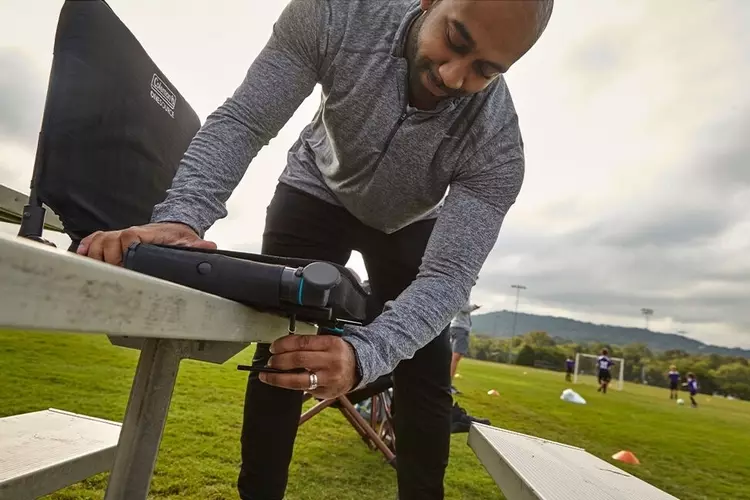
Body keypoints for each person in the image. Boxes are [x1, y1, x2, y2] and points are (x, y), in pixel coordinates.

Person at [75, 1, 555, 498]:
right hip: (315, 189)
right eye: (455, 41)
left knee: (425, 372)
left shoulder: (497, 144)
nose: (455, 76)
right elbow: (245, 120)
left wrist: (366, 352)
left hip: (411, 221)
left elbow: (448, 277)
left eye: (486, 70)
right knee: (282, 346)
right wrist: (182, 216)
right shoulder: (336, 13)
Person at [448, 300, 480, 394]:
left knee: (452, 356)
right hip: (460, 328)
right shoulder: (462, 289)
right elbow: (464, 308)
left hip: (454, 326)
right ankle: (448, 385)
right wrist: (475, 306)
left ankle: (446, 383)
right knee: (456, 356)